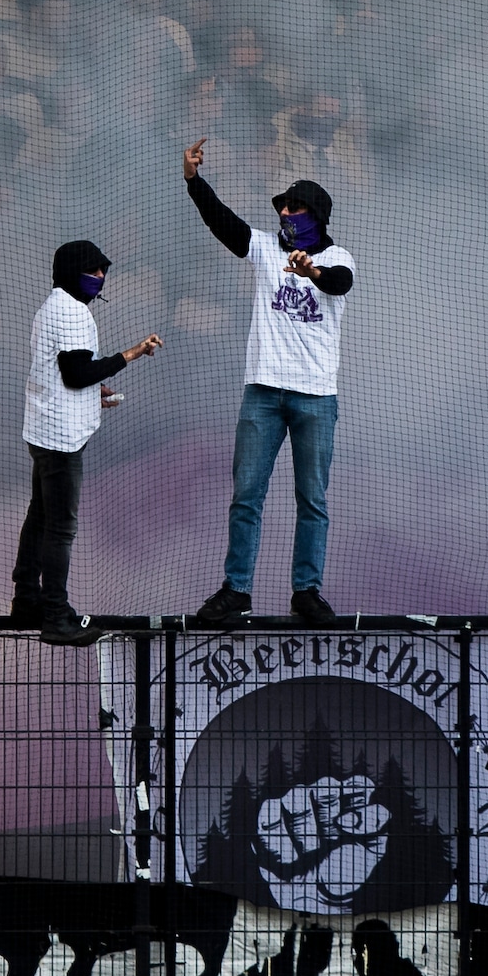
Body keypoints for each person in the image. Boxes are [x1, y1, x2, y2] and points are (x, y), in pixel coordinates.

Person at [182, 139, 354, 627]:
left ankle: (306, 591)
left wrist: (311, 269)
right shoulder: (263, 248)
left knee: (312, 500)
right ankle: (237, 591)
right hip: (262, 391)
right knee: (246, 496)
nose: (284, 211)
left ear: (316, 215)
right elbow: (224, 222)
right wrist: (194, 181)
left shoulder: (340, 256)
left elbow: (338, 283)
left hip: (316, 395)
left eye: (295, 206)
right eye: (282, 205)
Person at [13, 239, 161, 644]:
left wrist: (93, 397)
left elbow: (61, 373)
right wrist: (131, 353)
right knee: (60, 529)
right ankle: (56, 616)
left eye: (103, 270)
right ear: (71, 272)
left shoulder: (53, 305)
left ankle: (27, 599)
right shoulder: (72, 312)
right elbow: (76, 374)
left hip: (44, 431)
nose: (100, 277)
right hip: (61, 439)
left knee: (40, 518)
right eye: (93, 270)